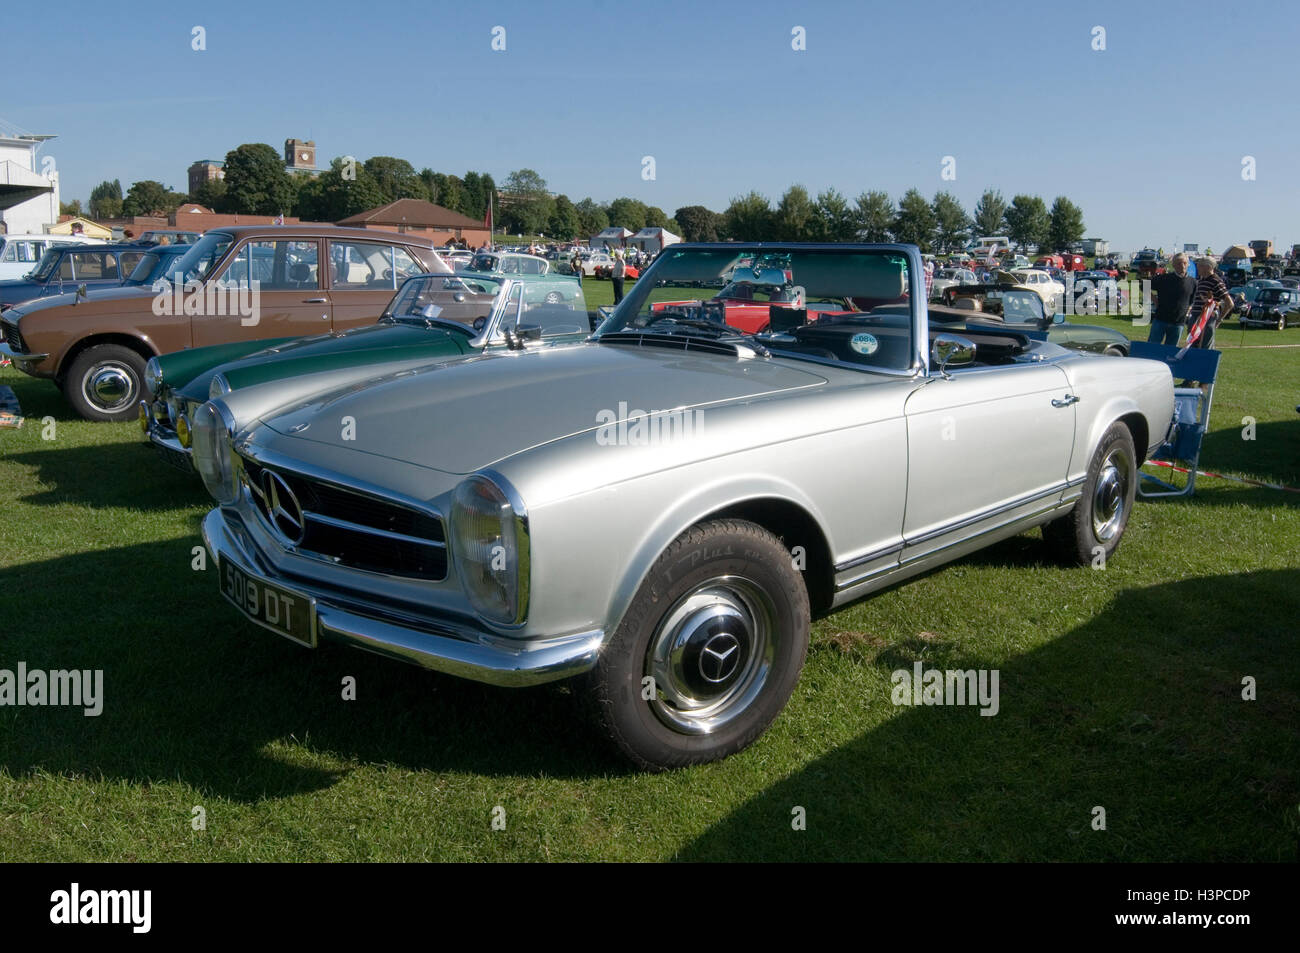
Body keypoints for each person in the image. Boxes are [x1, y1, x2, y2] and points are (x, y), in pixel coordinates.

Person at [1147, 252, 1196, 346]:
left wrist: (1188, 309)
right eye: (1178, 263)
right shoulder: (1164, 278)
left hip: (1178, 323)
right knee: (1152, 347)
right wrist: (1155, 300)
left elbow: (1191, 301)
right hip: (1161, 319)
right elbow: (1144, 286)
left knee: (1171, 351)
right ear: (1173, 265)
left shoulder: (1193, 282)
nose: (1182, 266)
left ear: (1188, 264)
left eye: (1184, 263)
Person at [1185, 257, 1233, 350]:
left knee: (1205, 346)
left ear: (1208, 267)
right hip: (1195, 317)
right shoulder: (1202, 280)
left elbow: (1230, 303)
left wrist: (1219, 320)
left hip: (1207, 318)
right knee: (1192, 345)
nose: (1198, 269)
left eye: (1200, 266)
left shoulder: (1216, 281)